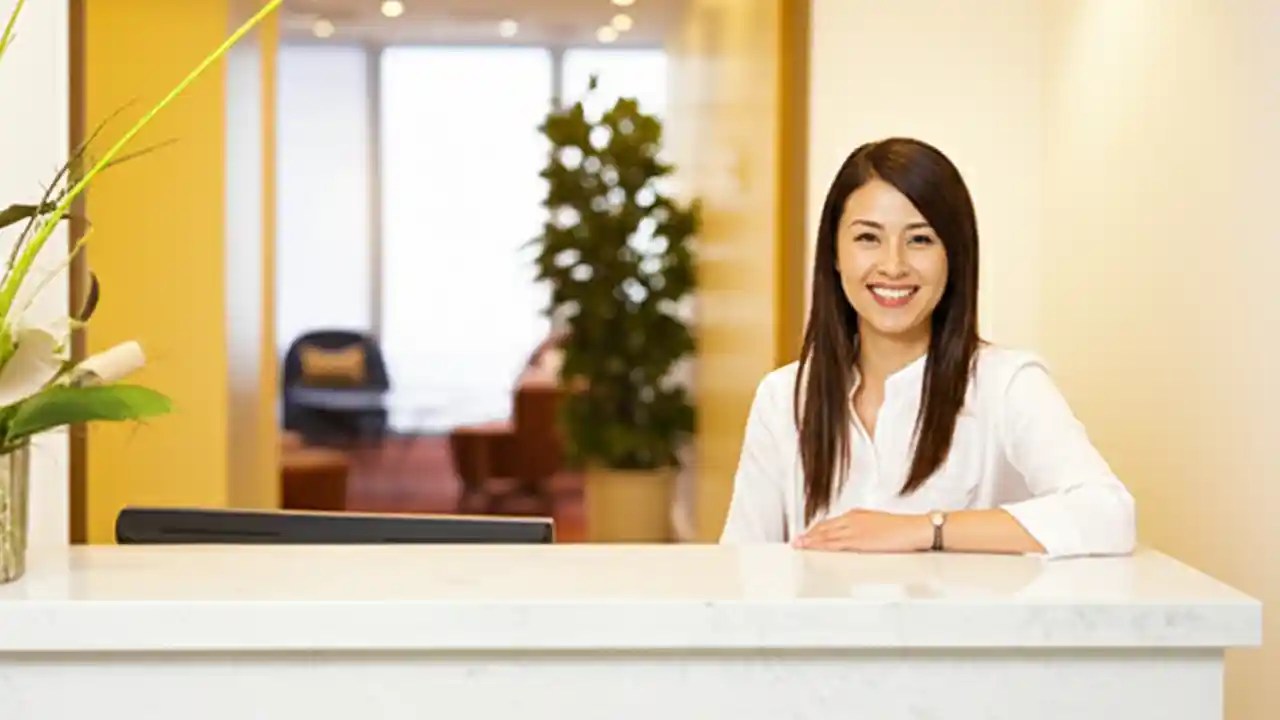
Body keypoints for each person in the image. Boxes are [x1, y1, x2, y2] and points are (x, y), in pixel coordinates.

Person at [719, 137, 1135, 558]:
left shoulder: (1005, 383)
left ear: (953, 256)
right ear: (834, 254)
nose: (893, 265)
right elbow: (740, 565)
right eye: (868, 238)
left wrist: (925, 529)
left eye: (920, 240)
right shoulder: (783, 397)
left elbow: (1108, 514)